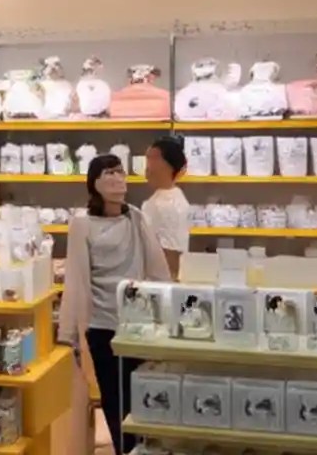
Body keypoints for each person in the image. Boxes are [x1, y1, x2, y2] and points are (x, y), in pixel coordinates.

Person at [59, 154, 171, 455]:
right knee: (113, 397)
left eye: (121, 171)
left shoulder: (135, 216)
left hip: (136, 323)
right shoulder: (82, 223)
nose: (117, 178)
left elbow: (157, 267)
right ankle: (126, 450)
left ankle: (142, 449)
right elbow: (76, 276)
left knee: (139, 394)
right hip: (102, 324)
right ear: (94, 183)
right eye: (109, 172)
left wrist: (168, 311)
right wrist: (69, 332)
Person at [143, 135, 191, 276]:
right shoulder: (162, 198)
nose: (148, 167)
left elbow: (172, 252)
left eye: (153, 159)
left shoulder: (168, 204)